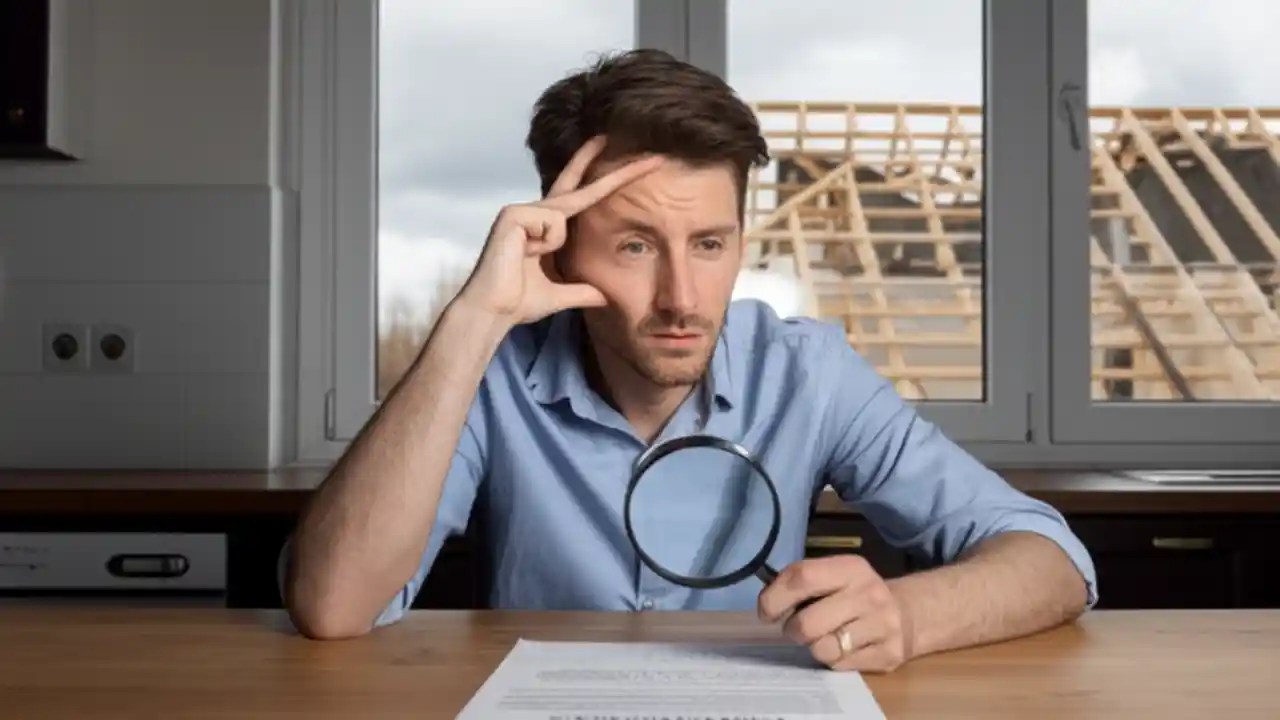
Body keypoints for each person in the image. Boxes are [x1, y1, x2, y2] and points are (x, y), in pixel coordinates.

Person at [283, 49, 1097, 673]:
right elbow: (333, 606)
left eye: (710, 244)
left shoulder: (805, 371)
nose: (682, 296)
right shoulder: (490, 376)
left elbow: (1054, 562)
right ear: (560, 253)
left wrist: (907, 618)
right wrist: (470, 323)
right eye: (635, 246)